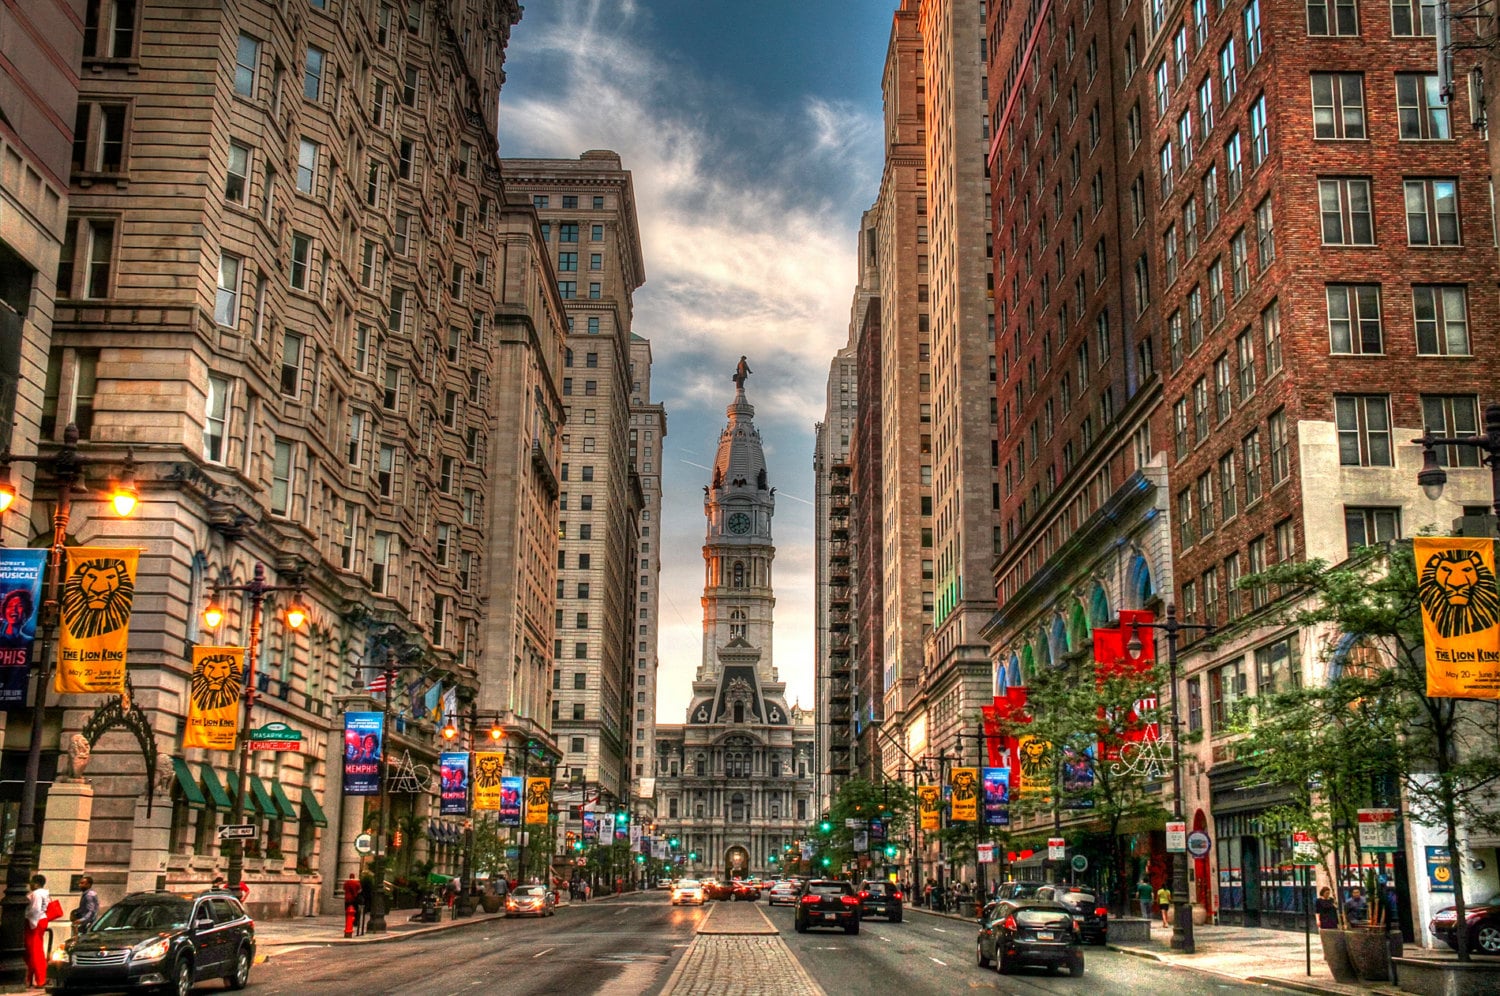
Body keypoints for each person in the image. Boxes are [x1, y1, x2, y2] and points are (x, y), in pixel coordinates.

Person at [24, 873, 49, 988]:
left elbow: (35, 909)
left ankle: (39, 979)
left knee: (34, 951)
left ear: (36, 883)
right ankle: (33, 978)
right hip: (41, 921)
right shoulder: (45, 894)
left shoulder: (36, 894)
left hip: (35, 922)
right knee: (34, 950)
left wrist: (30, 921)